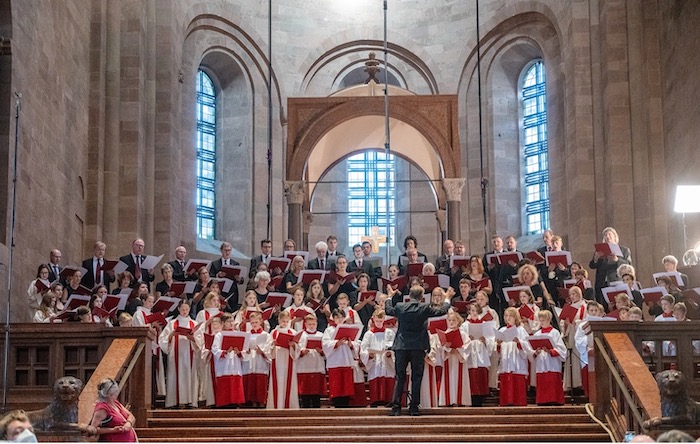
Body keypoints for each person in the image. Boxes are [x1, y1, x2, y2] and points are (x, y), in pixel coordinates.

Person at [384, 285, 451, 416]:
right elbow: (442, 311)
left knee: (400, 377)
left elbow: (388, 310)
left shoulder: (400, 307)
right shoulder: (424, 308)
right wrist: (447, 298)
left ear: (409, 295)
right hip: (417, 347)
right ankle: (413, 408)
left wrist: (389, 296)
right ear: (422, 297)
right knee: (416, 377)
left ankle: (396, 407)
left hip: (402, 346)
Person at [159, 299, 199, 408]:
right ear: (178, 309)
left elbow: (201, 341)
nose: (185, 311)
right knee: (175, 376)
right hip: (176, 354)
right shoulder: (172, 323)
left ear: (189, 309)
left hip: (190, 353)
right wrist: (171, 335)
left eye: (186, 309)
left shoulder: (194, 324)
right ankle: (174, 402)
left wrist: (193, 338)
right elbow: (162, 340)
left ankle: (190, 401)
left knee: (190, 376)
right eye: (182, 309)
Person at [321, 308, 359, 407]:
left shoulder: (348, 328)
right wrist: (337, 343)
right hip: (335, 361)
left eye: (341, 317)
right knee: (336, 384)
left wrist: (351, 344)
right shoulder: (329, 330)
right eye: (337, 317)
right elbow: (325, 343)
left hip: (346, 360)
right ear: (333, 318)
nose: (339, 319)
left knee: (346, 385)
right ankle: (337, 403)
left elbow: (356, 343)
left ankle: (346, 403)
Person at [496, 307, 533, 406]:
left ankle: (518, 403)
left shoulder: (520, 330)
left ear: (516, 317)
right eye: (506, 316)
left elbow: (527, 346)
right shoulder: (502, 330)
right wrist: (498, 345)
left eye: (511, 316)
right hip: (506, 361)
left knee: (517, 383)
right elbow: (497, 351)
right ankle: (506, 403)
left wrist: (519, 342)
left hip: (517, 361)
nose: (508, 318)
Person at [589, 227, 632, 310]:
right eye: (605, 235)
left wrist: (617, 260)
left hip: (616, 281)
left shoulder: (624, 250)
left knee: (617, 306)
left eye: (609, 234)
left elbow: (629, 265)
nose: (607, 236)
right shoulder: (600, 250)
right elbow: (592, 265)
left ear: (615, 237)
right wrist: (596, 258)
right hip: (601, 282)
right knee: (602, 307)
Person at [360, 309, 396, 407]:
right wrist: (369, 355)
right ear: (373, 320)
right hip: (375, 361)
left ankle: (388, 401)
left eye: (381, 321)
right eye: (377, 321)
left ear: (384, 319)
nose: (379, 323)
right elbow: (364, 348)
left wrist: (391, 354)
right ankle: (375, 401)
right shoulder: (369, 334)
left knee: (388, 379)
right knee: (375, 378)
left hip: (386, 361)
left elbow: (394, 346)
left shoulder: (389, 333)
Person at [210, 313, 247, 407]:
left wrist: (239, 352)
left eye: (232, 321)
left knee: (235, 385)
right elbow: (215, 349)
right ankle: (224, 405)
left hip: (235, 364)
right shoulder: (219, 335)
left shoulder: (237, 334)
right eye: (228, 321)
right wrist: (225, 351)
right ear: (223, 323)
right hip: (224, 365)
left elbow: (244, 350)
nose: (231, 323)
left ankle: (236, 403)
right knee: (224, 386)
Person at [265, 310, 299, 409]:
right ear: (279, 320)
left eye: (287, 321)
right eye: (283, 321)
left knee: (289, 383)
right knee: (278, 382)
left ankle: (289, 407)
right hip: (278, 359)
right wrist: (273, 344)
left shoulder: (293, 332)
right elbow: (268, 347)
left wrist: (293, 345)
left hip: (289, 360)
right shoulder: (274, 332)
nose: (285, 323)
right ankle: (277, 407)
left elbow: (298, 347)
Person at [532, 310, 567, 405]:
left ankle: (555, 400)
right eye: (540, 320)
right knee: (542, 381)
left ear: (549, 320)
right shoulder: (537, 334)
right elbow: (532, 351)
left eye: (544, 320)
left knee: (552, 381)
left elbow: (562, 349)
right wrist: (536, 351)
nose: (542, 322)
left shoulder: (555, 333)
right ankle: (542, 400)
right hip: (541, 361)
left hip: (552, 362)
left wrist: (550, 351)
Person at [462, 303, 494, 407]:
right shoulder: (464, 325)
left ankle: (480, 399)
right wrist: (468, 339)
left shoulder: (485, 324)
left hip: (481, 352)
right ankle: (471, 399)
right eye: (472, 310)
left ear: (479, 311)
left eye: (476, 310)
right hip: (470, 352)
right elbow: (461, 339)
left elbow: (491, 339)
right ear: (469, 312)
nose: (474, 313)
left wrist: (485, 341)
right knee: (471, 376)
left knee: (480, 375)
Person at [86, 378, 137, 442]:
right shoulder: (102, 409)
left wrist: (128, 423)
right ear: (107, 395)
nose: (116, 395)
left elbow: (131, 416)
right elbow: (93, 429)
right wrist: (112, 430)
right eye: (113, 394)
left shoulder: (116, 403)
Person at [438, 311, 472, 407]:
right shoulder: (445, 333)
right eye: (449, 320)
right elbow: (441, 348)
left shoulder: (463, 334)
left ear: (458, 321)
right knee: (449, 379)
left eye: (454, 320)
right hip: (449, 360)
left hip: (458, 359)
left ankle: (460, 401)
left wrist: (458, 351)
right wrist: (446, 348)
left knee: (459, 380)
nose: (451, 322)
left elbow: (467, 346)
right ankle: (448, 401)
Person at [296, 314, 326, 408]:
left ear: (316, 323)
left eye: (313, 324)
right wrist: (302, 352)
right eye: (309, 324)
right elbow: (296, 348)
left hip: (317, 364)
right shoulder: (301, 335)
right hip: (304, 365)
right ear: (305, 324)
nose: (311, 326)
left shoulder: (321, 335)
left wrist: (321, 351)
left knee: (316, 391)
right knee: (305, 391)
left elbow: (327, 350)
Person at [241, 311, 271, 407]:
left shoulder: (266, 335)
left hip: (260, 361)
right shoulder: (246, 334)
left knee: (260, 383)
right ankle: (252, 402)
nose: (254, 325)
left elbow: (269, 348)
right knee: (251, 382)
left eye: (256, 322)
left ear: (261, 322)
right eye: (252, 323)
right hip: (249, 360)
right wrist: (247, 350)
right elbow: (242, 348)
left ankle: (261, 402)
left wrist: (262, 351)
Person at [209, 241, 241, 312]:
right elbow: (210, 278)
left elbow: (241, 281)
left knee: (232, 312)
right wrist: (218, 275)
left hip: (232, 293)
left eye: (229, 250)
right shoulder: (215, 264)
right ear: (221, 250)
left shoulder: (236, 264)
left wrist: (238, 279)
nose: (227, 252)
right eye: (225, 250)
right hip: (219, 292)